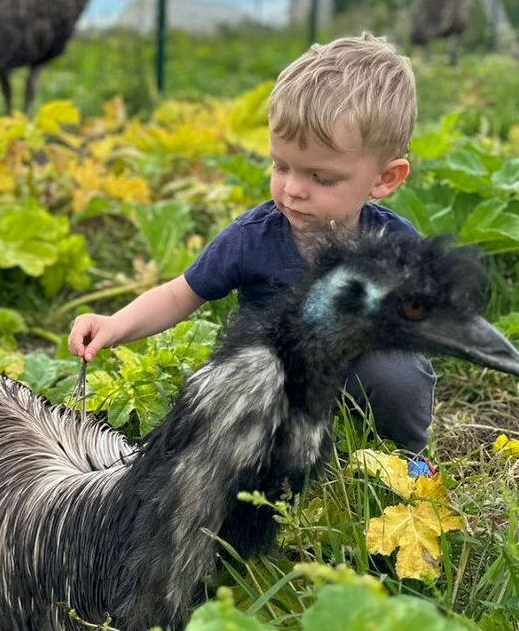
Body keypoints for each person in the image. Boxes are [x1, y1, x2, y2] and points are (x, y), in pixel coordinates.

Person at [68, 33, 436, 457]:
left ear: (385, 179)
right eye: (281, 166)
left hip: (354, 373)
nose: (292, 189)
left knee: (399, 374)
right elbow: (179, 294)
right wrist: (116, 325)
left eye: (320, 177)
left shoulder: (395, 246)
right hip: (268, 380)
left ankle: (407, 457)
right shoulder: (252, 239)